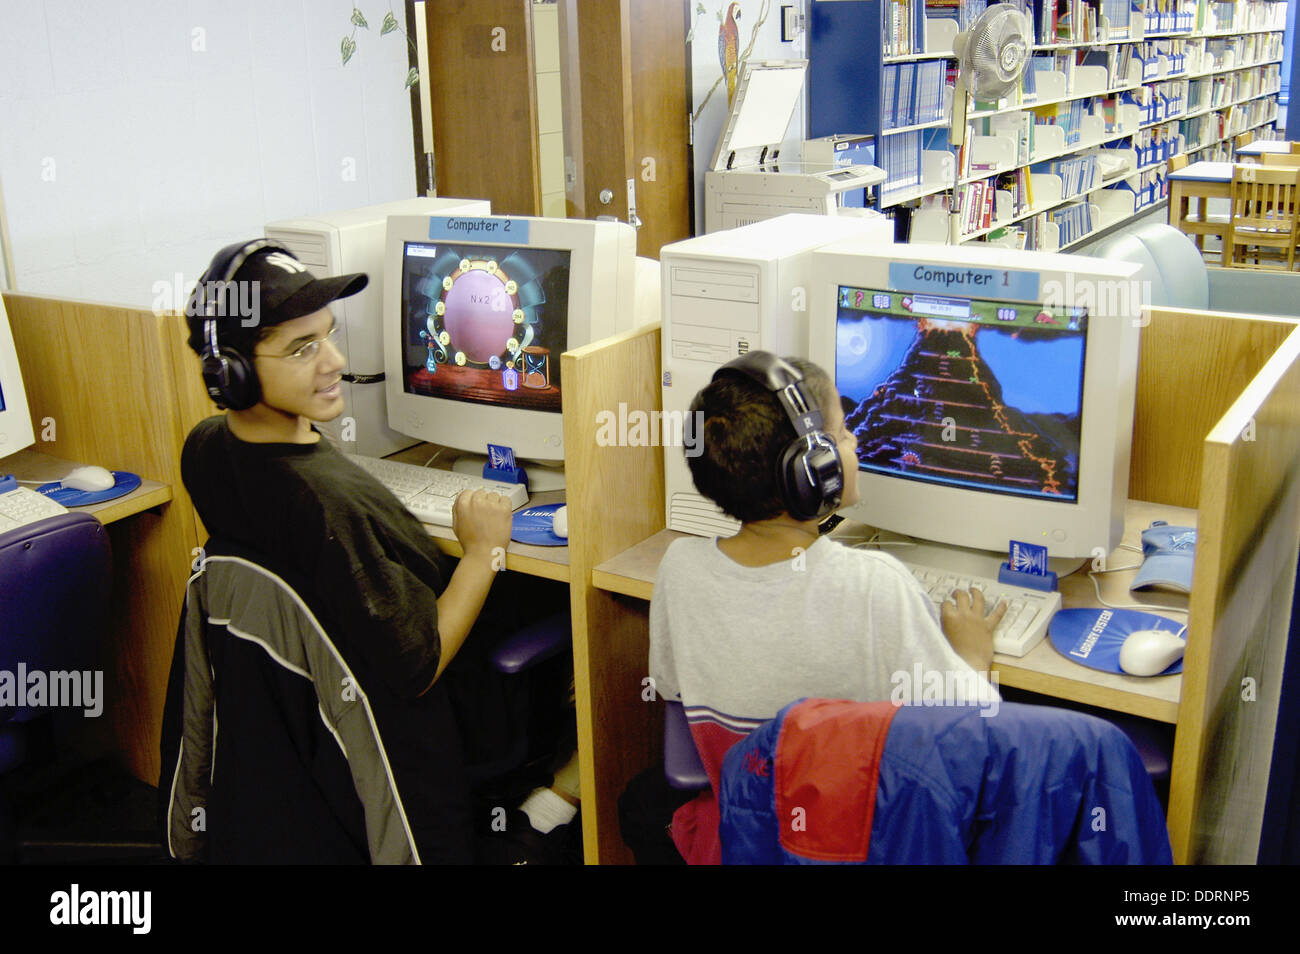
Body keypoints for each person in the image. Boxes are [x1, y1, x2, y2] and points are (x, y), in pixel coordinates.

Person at [165, 239, 574, 863]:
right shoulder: (327, 505)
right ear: (234, 374)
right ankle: (549, 808)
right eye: (302, 349)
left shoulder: (208, 449)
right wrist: (481, 552)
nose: (334, 361)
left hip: (311, 758)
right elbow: (419, 665)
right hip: (423, 732)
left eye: (327, 336)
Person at [644, 351, 1004, 865]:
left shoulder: (679, 567)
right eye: (842, 433)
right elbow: (970, 730)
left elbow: (673, 686)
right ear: (812, 470)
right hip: (854, 845)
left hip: (741, 838)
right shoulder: (875, 584)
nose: (854, 443)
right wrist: (971, 655)